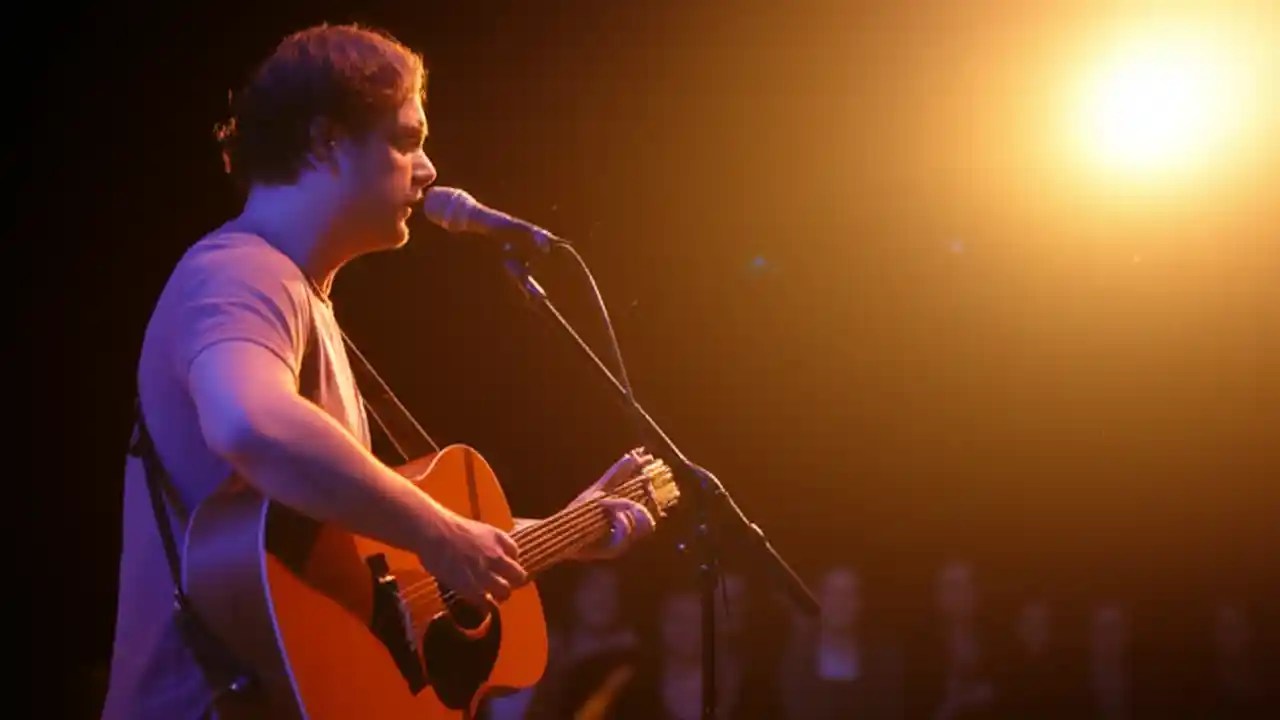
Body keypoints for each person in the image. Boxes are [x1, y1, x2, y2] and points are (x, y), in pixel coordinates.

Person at [100, 23, 657, 720]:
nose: (428, 170)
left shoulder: (301, 296)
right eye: (406, 139)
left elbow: (353, 550)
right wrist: (444, 533)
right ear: (327, 140)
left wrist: (557, 532)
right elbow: (249, 421)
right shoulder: (241, 271)